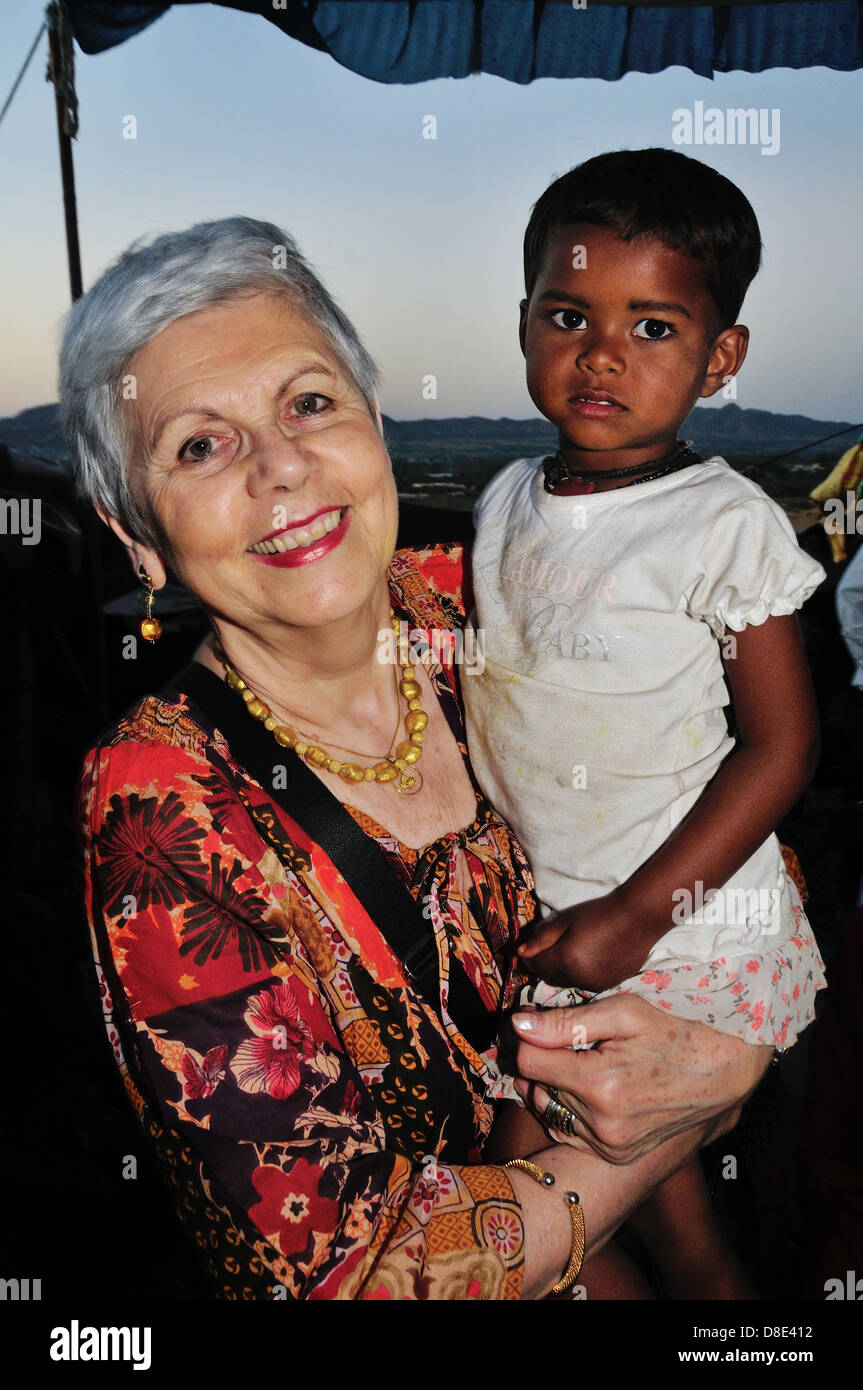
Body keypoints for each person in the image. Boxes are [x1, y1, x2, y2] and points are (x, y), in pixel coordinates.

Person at [65, 215, 777, 1301]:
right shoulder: (161, 800)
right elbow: (344, 1271)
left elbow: (730, 803)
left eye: (309, 402)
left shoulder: (488, 602)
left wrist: (728, 1044)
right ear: (135, 536)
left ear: (371, 420)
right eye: (200, 445)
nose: (283, 468)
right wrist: (644, 1136)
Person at [463, 149, 828, 1298]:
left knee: (502, 1212)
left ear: (720, 357)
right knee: (653, 1211)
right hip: (568, 926)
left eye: (653, 326)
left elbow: (782, 745)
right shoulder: (501, 499)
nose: (602, 353)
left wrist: (631, 914)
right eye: (567, 314)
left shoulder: (718, 525)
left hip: (682, 928)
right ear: (521, 321)